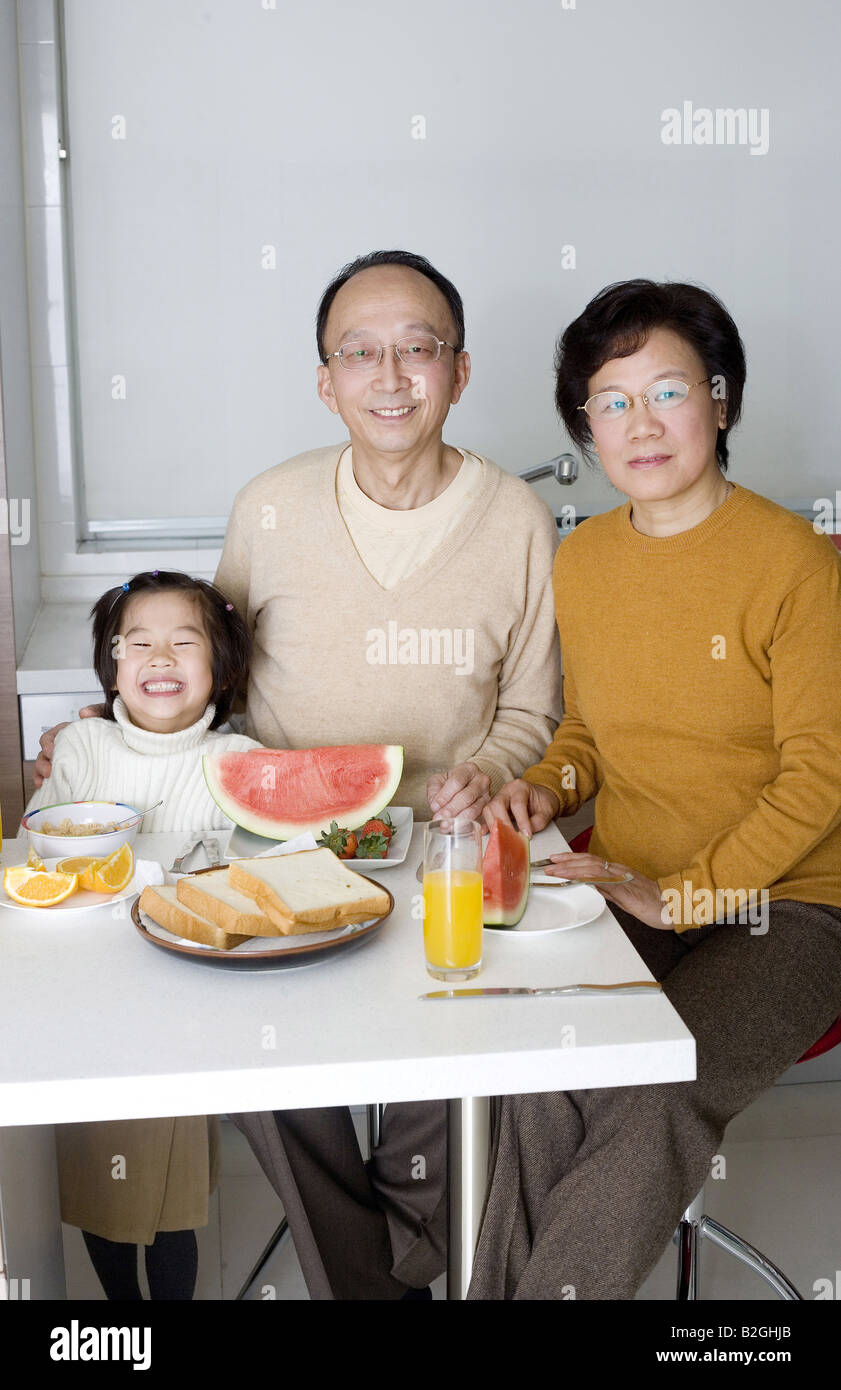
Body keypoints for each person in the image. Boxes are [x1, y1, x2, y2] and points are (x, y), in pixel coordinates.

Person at [33, 250, 563, 1299]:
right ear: (326, 381)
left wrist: (487, 769)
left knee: (451, 1076)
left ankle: (401, 1267)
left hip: (440, 852)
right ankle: (372, 1286)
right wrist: (104, 731)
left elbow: (531, 708)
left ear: (459, 371)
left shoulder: (517, 520)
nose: (391, 374)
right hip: (274, 854)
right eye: (359, 352)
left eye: (420, 348)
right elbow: (205, 676)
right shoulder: (268, 507)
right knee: (270, 1063)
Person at [468, 279, 841, 1298]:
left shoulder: (796, 564)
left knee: (653, 1090)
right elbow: (586, 734)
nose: (640, 423)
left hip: (791, 908)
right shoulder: (582, 559)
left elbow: (821, 775)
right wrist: (546, 790)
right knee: (543, 1065)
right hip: (627, 878)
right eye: (611, 400)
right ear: (583, 424)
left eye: (668, 391)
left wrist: (685, 894)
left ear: (720, 402)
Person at [25, 570, 259, 1299]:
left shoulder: (234, 761)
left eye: (183, 644)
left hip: (180, 993)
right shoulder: (83, 746)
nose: (160, 659)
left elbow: (246, 878)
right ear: (113, 668)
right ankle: (124, 1315)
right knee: (98, 1168)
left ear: (220, 673)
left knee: (173, 1188)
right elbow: (43, 851)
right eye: (139, 644)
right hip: (86, 993)